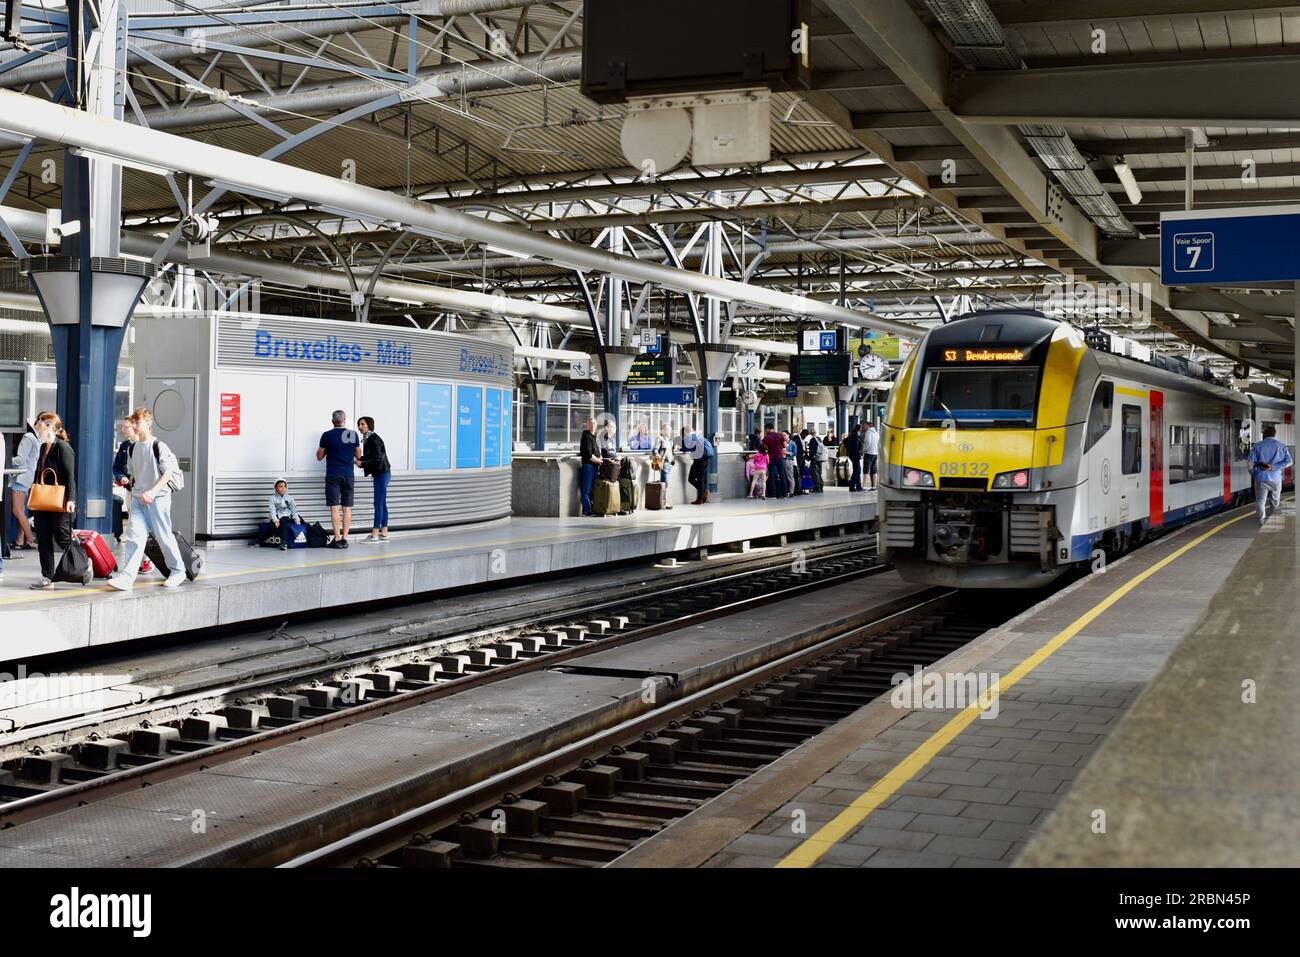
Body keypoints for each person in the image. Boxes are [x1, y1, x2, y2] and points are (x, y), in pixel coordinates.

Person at [108, 408, 188, 591]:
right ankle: (127, 578)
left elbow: (168, 473)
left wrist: (152, 492)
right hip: (138, 498)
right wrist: (133, 486)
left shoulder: (158, 445)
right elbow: (133, 473)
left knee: (163, 536)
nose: (134, 426)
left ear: (148, 424)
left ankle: (178, 570)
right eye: (133, 423)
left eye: (138, 422)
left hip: (157, 498)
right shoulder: (132, 448)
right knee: (134, 537)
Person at [27, 412, 78, 589]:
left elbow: (70, 476)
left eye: (39, 425)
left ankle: (84, 561)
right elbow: (39, 474)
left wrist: (71, 499)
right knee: (43, 538)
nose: (37, 428)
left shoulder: (63, 448)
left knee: (62, 536)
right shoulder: (43, 447)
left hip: (60, 501)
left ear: (49, 427)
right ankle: (47, 577)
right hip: (43, 501)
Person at [316, 410, 359, 548]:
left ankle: (337, 538)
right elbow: (358, 454)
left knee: (334, 508)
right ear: (344, 420)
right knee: (347, 508)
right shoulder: (352, 434)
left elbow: (319, 456)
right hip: (348, 474)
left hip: (333, 474)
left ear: (332, 421)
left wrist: (329, 449)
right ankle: (345, 539)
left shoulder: (327, 435)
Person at [1248, 424, 1293, 527]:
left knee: (1260, 501)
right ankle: (1274, 520)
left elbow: (1250, 464)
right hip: (1276, 479)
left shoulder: (1257, 446)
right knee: (1275, 501)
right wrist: (1273, 467)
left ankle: (1261, 521)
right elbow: (1290, 462)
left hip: (1261, 478)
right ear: (1274, 434)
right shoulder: (1281, 446)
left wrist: (1254, 474)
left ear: (1264, 434)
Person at [355, 415, 391, 542]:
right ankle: (384, 533)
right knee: (382, 503)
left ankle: (374, 534)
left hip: (381, 474)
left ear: (369, 425)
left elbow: (377, 459)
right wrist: (359, 460)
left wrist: (362, 463)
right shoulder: (368, 438)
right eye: (359, 424)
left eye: (362, 424)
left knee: (378, 503)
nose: (360, 427)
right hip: (382, 473)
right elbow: (371, 456)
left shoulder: (373, 439)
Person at [9, 416, 41, 552]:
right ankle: (20, 540)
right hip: (26, 477)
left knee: (16, 510)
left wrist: (5, 460)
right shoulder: (34, 437)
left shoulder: (27, 437)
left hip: (20, 477)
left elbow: (20, 460)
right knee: (20, 511)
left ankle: (29, 539)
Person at [267, 479, 303, 551]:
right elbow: (272, 512)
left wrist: (297, 519)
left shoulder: (289, 498)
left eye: (284, 486)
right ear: (276, 488)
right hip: (279, 518)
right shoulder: (272, 498)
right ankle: (284, 543)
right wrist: (275, 520)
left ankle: (310, 538)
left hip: (288, 517)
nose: (283, 488)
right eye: (280, 486)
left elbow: (294, 510)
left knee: (302, 521)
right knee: (282, 522)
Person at [578, 417, 604, 516]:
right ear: (587, 425)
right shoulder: (586, 436)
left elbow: (596, 452)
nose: (592, 425)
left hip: (594, 466)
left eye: (594, 423)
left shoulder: (594, 437)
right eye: (590, 423)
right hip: (588, 466)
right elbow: (588, 455)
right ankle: (587, 510)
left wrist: (600, 458)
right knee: (586, 489)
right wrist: (599, 461)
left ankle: (593, 508)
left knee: (593, 489)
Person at [683, 428, 715, 504]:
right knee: (700, 479)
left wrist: (681, 447)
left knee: (691, 479)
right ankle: (700, 497)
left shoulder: (690, 437)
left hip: (699, 461)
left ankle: (702, 495)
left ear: (685, 433)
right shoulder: (699, 436)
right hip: (705, 460)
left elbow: (686, 448)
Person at [651, 422, 675, 510]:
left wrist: (672, 462)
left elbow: (671, 452)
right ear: (662, 430)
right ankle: (663, 502)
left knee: (663, 482)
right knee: (665, 482)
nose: (668, 431)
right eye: (667, 429)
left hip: (669, 464)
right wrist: (656, 454)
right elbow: (655, 449)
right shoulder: (659, 439)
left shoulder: (670, 441)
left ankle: (661, 501)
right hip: (663, 463)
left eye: (670, 430)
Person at [762, 425, 789, 498]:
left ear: (767, 429)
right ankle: (784, 494)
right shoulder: (780, 435)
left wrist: (770, 448)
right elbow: (785, 445)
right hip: (780, 458)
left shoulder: (766, 437)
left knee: (772, 476)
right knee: (782, 476)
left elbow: (764, 447)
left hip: (772, 458)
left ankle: (773, 494)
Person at [844, 424, 865, 492]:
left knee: (858, 470)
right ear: (859, 429)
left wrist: (848, 449)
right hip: (855, 455)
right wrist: (859, 454)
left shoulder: (853, 435)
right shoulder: (855, 436)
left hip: (853, 455)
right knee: (857, 471)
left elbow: (845, 441)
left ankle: (858, 486)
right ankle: (852, 486)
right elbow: (856, 447)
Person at [804, 428, 825, 493]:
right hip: (820, 458)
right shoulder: (819, 438)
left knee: (814, 473)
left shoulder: (812, 439)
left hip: (815, 459)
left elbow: (812, 450)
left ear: (810, 433)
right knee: (819, 473)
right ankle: (821, 487)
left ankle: (817, 488)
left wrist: (809, 458)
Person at [863, 421, 881, 491]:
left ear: (868, 426)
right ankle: (874, 487)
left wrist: (864, 450)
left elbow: (868, 442)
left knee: (866, 470)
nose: (864, 426)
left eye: (865, 425)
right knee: (874, 470)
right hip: (875, 453)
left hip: (869, 453)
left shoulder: (868, 432)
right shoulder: (876, 433)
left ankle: (864, 486)